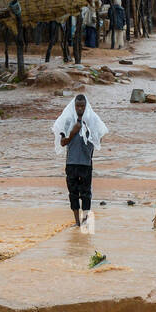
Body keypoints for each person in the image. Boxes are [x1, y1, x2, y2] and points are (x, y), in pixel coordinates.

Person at [54, 93, 106, 229]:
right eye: (78, 106)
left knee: (86, 194)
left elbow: (99, 139)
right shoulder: (67, 121)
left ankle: (86, 222)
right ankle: (77, 222)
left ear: (86, 106)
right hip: (71, 163)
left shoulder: (92, 120)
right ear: (74, 106)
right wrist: (73, 133)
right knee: (73, 193)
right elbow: (62, 143)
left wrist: (89, 139)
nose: (80, 109)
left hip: (86, 163)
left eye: (82, 106)